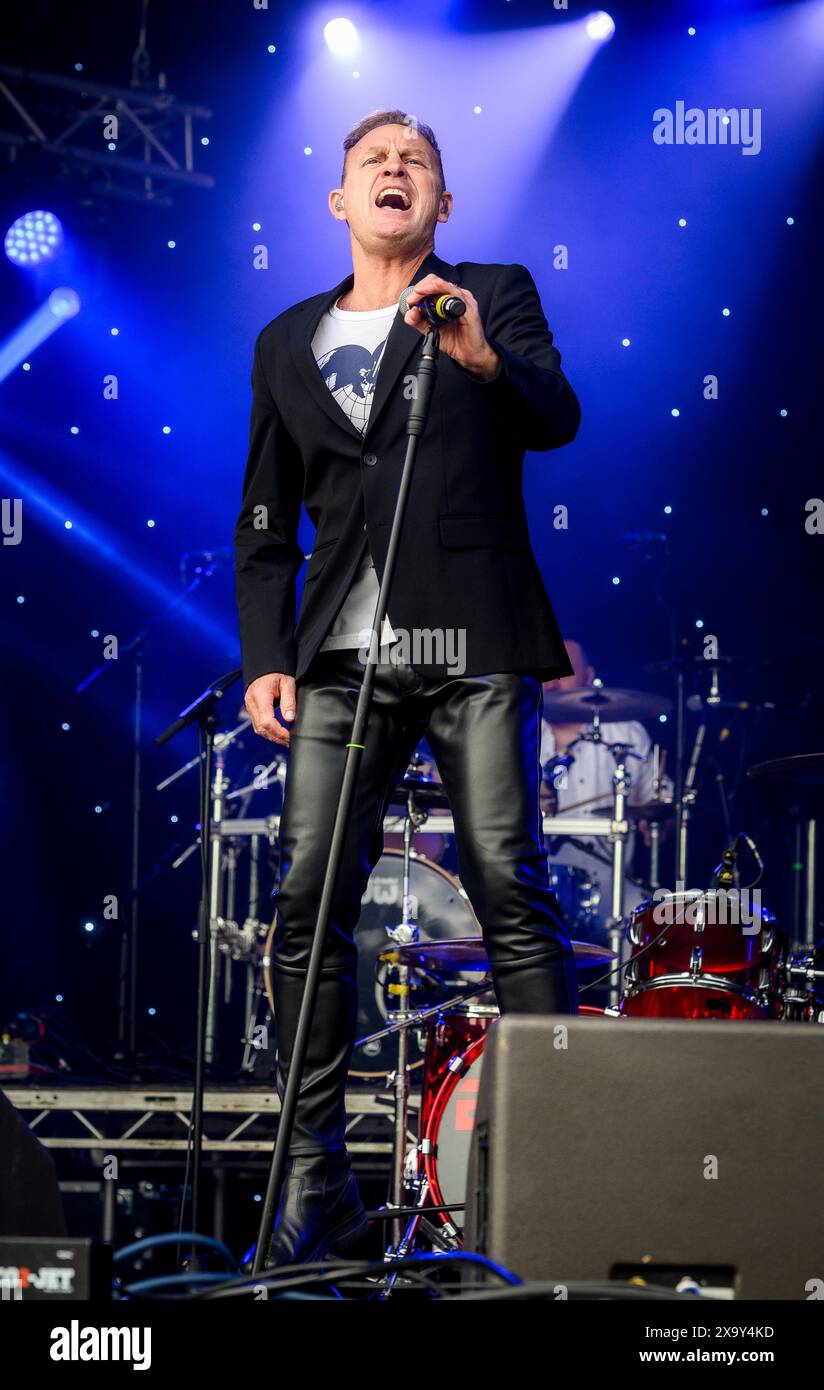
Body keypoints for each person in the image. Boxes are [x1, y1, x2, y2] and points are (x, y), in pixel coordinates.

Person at [234, 109, 581, 1266]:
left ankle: (544, 1169)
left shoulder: (486, 292)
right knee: (304, 907)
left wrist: (482, 355)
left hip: (470, 639)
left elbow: (557, 415)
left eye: (417, 161)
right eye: (374, 160)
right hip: (343, 655)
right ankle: (311, 1187)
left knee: (504, 882)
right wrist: (264, 656)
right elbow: (264, 523)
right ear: (339, 201)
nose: (395, 169)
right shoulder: (285, 340)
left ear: (441, 204)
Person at [540, 638, 672, 937]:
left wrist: (659, 814)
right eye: (546, 670)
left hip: (610, 883)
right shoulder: (516, 733)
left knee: (646, 931)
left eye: (563, 669)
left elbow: (659, 797)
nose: (552, 680)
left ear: (589, 676)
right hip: (534, 881)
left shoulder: (625, 733)